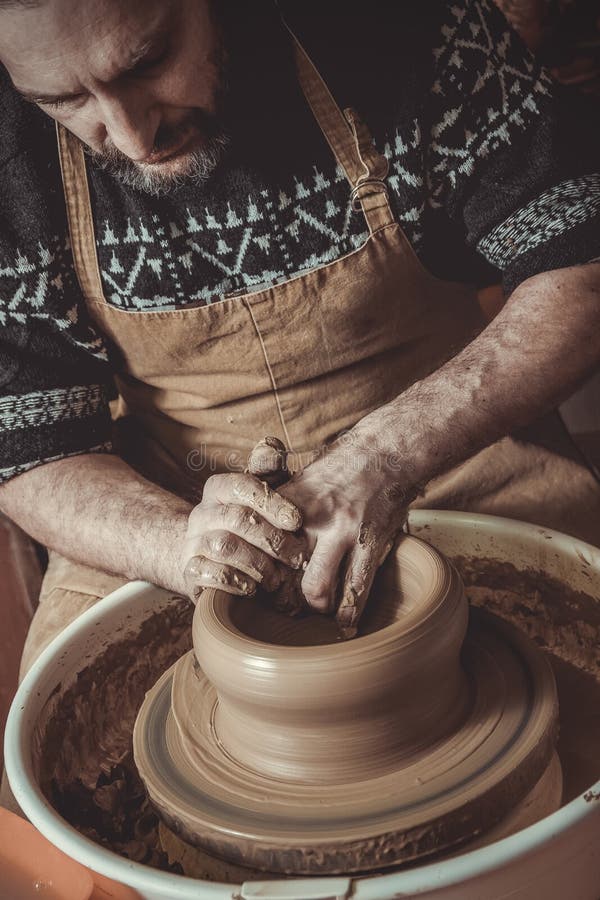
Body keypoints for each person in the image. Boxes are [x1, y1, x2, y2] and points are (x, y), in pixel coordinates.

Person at [0, 0, 599, 667]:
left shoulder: (395, 25)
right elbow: (27, 443)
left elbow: (581, 265)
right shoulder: (8, 144)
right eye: (63, 99)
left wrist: (382, 459)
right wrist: (177, 545)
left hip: (450, 449)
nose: (132, 135)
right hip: (177, 500)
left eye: (149, 61)